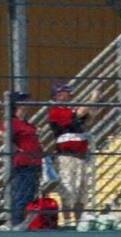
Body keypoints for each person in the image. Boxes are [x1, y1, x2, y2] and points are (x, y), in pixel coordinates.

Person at [48, 82, 94, 226]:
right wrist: (92, 99)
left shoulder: (71, 110)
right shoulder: (56, 111)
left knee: (82, 193)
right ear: (58, 94)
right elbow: (79, 113)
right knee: (68, 191)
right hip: (66, 157)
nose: (69, 95)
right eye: (66, 92)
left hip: (82, 157)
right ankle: (68, 222)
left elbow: (88, 120)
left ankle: (79, 221)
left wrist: (94, 104)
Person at [0, 91, 44, 227]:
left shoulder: (26, 123)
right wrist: (16, 149)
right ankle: (17, 226)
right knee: (22, 198)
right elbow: (1, 133)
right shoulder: (13, 122)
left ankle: (27, 225)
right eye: (24, 101)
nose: (27, 103)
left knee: (31, 197)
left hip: (34, 163)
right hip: (24, 164)